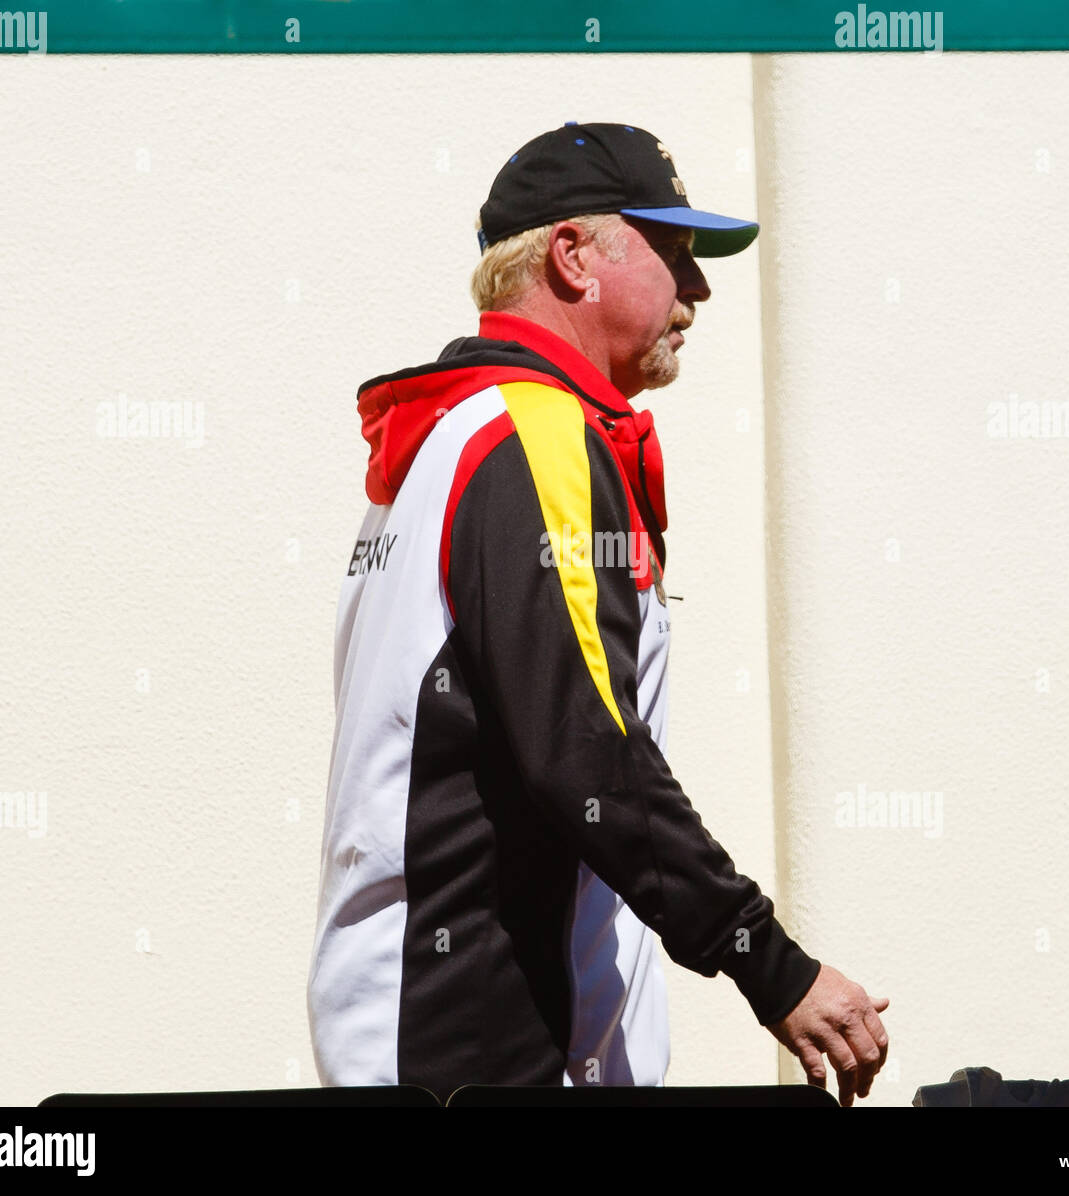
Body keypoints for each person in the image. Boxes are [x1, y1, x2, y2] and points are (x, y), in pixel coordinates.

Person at [307, 121, 889, 1104]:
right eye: (672, 253)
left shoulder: (457, 433)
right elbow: (585, 752)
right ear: (574, 256)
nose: (697, 292)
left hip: (440, 1032)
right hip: (481, 1047)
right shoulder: (534, 435)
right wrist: (771, 965)